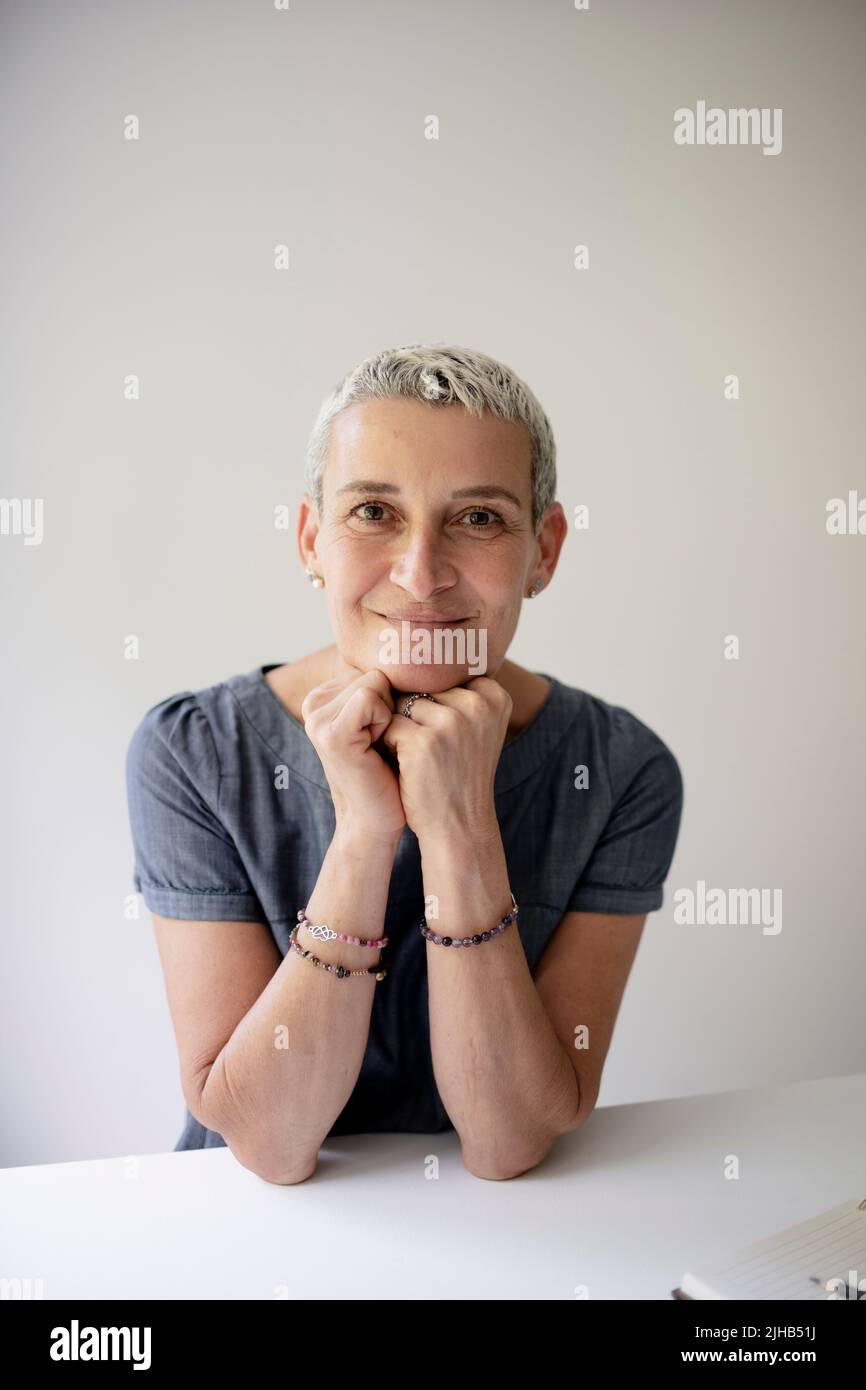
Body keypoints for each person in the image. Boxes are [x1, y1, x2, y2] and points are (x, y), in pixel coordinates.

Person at [125, 343, 684, 1184]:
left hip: (506, 1240)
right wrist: (364, 833)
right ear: (312, 538)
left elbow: (508, 1142)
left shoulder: (622, 772)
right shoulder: (194, 753)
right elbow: (271, 1144)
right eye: (374, 512)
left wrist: (461, 832)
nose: (421, 575)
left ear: (544, 550)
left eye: (480, 517)